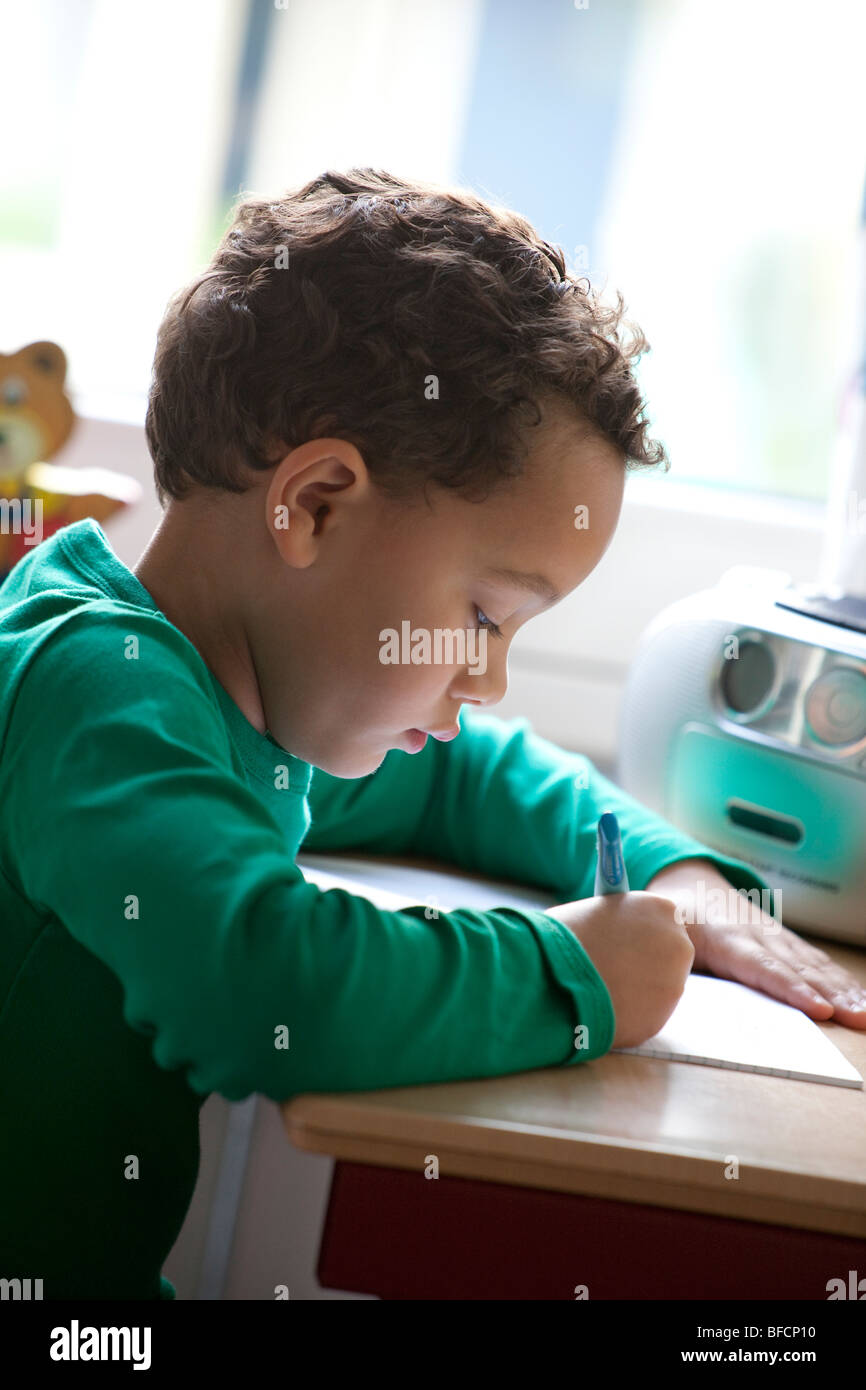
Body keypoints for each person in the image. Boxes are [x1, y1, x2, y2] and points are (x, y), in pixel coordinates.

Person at [2, 168, 863, 1300]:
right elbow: (267, 989)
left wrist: (674, 874)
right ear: (312, 505)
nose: (490, 678)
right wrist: (572, 976)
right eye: (483, 615)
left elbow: (465, 782)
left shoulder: (216, 694)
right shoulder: (95, 695)